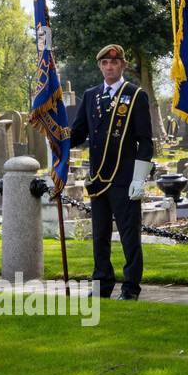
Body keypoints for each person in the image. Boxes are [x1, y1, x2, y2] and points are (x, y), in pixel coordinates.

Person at [67, 44, 154, 300]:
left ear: (123, 66)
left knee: (129, 237)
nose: (109, 67)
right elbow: (79, 133)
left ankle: (130, 288)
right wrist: (57, 137)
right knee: (100, 236)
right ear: (100, 66)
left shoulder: (135, 96)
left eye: (114, 63)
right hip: (98, 179)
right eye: (104, 63)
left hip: (124, 179)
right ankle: (102, 284)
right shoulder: (91, 95)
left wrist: (139, 178)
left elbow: (145, 142)